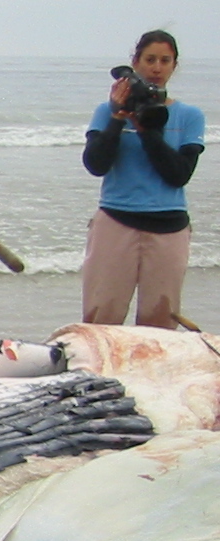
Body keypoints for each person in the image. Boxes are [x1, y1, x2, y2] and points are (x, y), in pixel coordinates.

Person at [81, 30, 205, 328]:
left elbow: (178, 175)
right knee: (103, 313)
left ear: (175, 65)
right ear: (135, 63)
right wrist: (119, 117)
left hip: (169, 226)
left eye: (165, 60)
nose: (157, 68)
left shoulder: (189, 116)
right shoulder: (107, 112)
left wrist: (148, 129)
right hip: (116, 220)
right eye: (150, 60)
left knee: (160, 319)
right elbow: (95, 164)